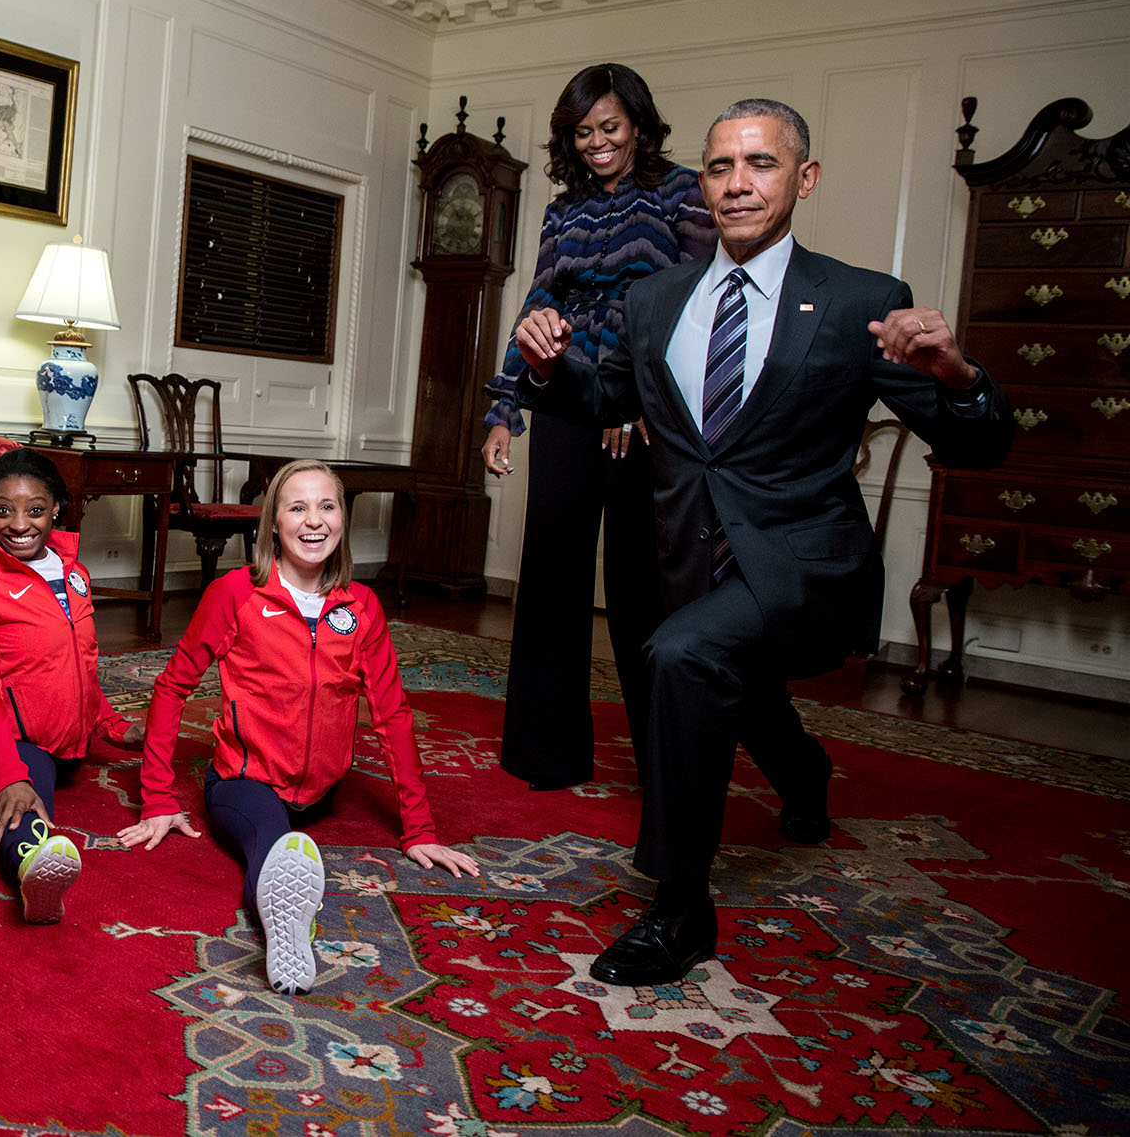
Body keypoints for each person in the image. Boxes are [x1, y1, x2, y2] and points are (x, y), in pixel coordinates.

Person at [514, 99, 1011, 985]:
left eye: (761, 164)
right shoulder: (653, 299)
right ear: (700, 184)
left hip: (806, 563)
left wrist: (957, 373)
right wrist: (551, 372)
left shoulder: (864, 298)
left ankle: (679, 904)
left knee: (682, 656)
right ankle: (804, 770)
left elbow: (977, 442)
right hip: (690, 554)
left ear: (803, 178)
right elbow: (609, 404)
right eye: (719, 167)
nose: (738, 183)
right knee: (718, 664)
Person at [117, 460, 478, 993]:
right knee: (272, 838)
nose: (314, 521)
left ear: (343, 519)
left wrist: (419, 829)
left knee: (292, 830)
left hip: (321, 788)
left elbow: (393, 715)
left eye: (327, 506)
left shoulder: (362, 605)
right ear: (273, 524)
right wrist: (158, 799)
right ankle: (284, 929)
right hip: (245, 781)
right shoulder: (234, 593)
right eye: (298, 507)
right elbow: (172, 688)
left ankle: (285, 888)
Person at [482, 62, 717, 790]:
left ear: (638, 124)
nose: (597, 143)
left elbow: (699, 305)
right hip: (565, 400)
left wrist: (641, 399)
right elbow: (538, 305)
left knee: (641, 586)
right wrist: (502, 411)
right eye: (583, 132)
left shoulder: (681, 192)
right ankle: (544, 755)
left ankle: (665, 764)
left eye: (609, 127)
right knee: (550, 572)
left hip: (641, 410)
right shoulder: (563, 211)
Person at [0, 448, 145, 922]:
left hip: (71, 745)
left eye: (34, 510)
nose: (18, 525)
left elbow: (82, 665)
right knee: (24, 812)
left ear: (57, 508)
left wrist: (115, 728)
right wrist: (9, 774)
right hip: (15, 744)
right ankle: (33, 871)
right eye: (2, 509)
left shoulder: (74, 574)